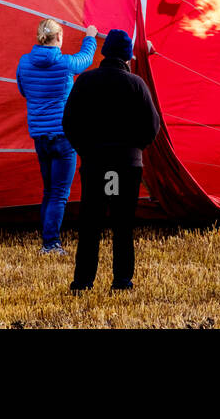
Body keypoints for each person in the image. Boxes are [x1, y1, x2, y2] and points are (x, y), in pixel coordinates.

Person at [62, 29, 161, 292]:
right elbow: (153, 126)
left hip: (96, 165)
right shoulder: (136, 84)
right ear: (128, 56)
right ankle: (121, 280)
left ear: (104, 53)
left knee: (90, 224)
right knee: (123, 223)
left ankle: (83, 282)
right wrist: (134, 149)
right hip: (126, 167)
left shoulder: (85, 81)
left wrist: (85, 149)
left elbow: (69, 123)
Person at [16, 18, 98, 254]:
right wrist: (90, 37)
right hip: (63, 136)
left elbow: (23, 90)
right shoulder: (64, 64)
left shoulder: (24, 63)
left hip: (40, 136)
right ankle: (50, 243)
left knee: (49, 190)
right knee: (60, 195)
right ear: (59, 38)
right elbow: (86, 59)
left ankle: (47, 238)